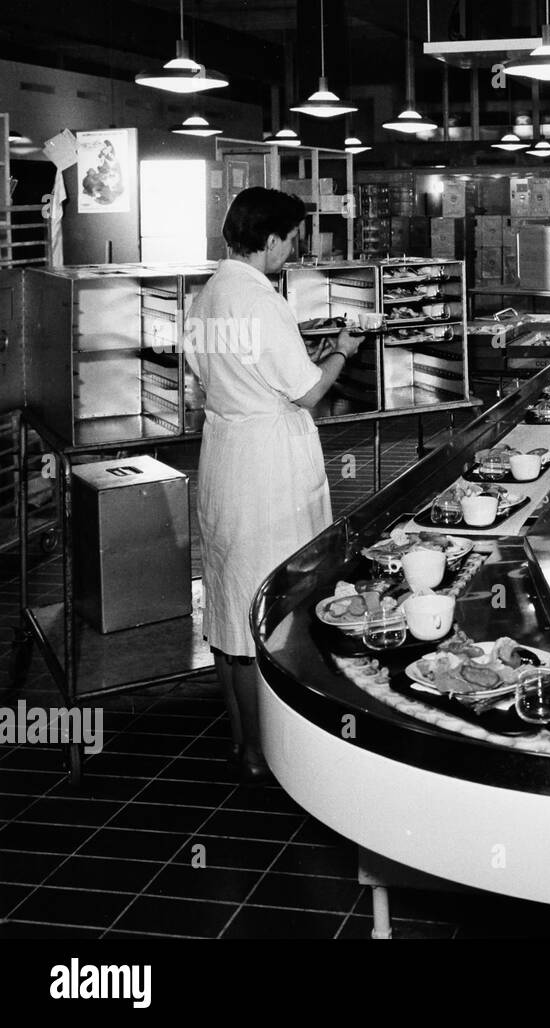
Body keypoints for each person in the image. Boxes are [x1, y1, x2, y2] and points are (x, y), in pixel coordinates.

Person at [185, 186, 362, 781]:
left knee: (229, 611)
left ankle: (243, 742)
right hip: (266, 468)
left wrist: (297, 354)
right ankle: (270, 753)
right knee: (265, 607)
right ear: (268, 240)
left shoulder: (208, 294)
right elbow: (309, 392)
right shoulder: (262, 302)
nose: (293, 250)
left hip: (225, 456)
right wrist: (341, 351)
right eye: (291, 240)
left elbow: (224, 370)